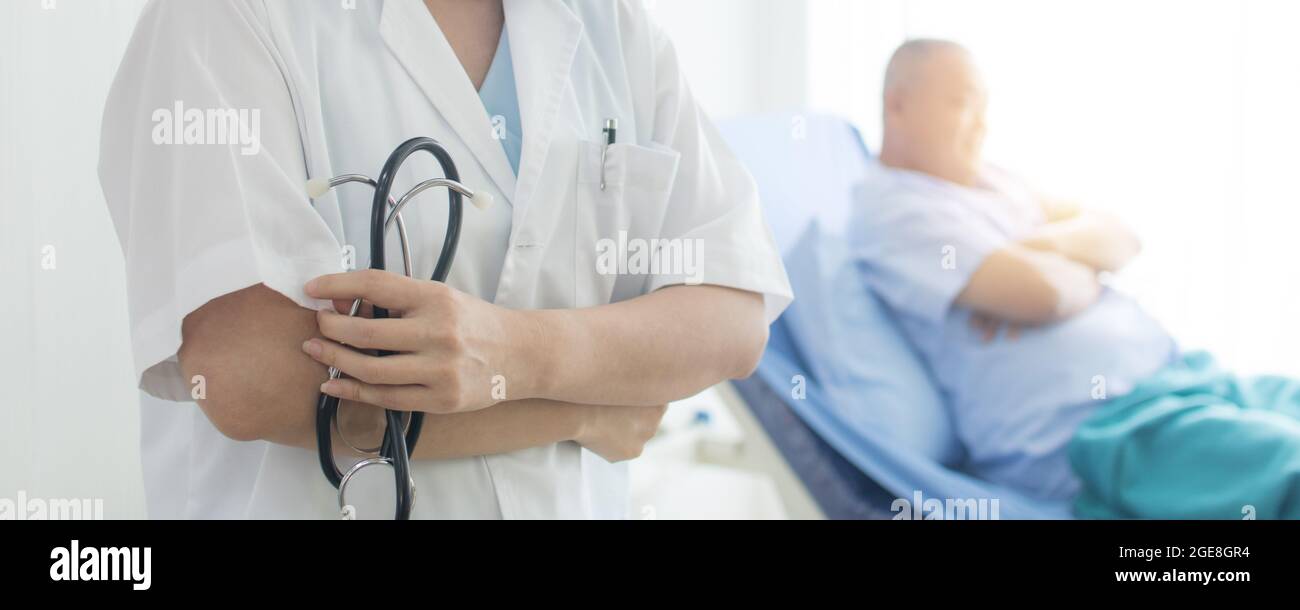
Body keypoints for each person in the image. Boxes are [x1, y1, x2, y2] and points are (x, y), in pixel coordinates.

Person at [98, 0, 792, 519]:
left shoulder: (610, 23)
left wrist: (524, 352)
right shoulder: (222, 18)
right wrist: (585, 411)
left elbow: (732, 311)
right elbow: (251, 381)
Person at [852, 39, 1300, 518]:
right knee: (1286, 466)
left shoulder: (993, 180)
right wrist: (1079, 264)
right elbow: (1043, 294)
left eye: (984, 105)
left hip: (1181, 376)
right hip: (1112, 427)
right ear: (897, 105)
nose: (982, 123)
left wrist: (1041, 249)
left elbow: (1121, 235)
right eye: (963, 103)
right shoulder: (895, 210)